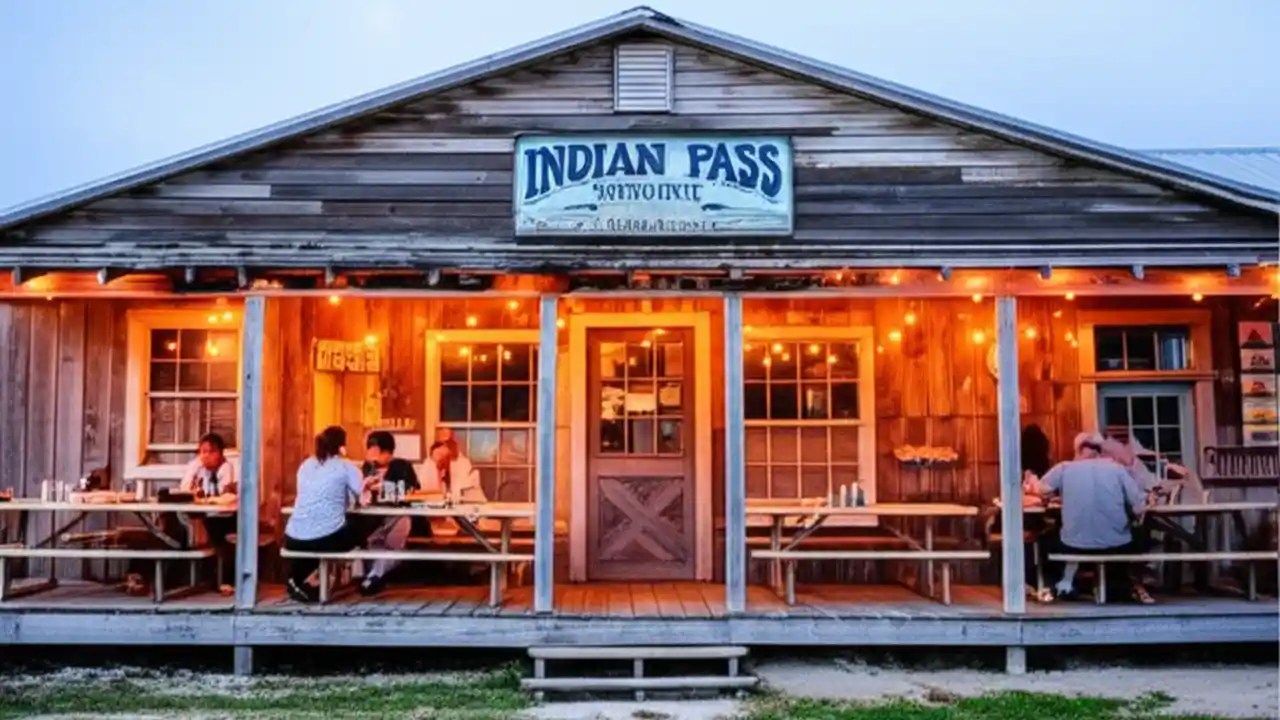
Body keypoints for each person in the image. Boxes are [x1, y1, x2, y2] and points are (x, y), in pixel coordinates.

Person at [1024, 431, 1154, 604]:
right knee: (1140, 536)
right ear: (1100, 451)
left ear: (1077, 450)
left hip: (1073, 546)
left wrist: (1030, 482)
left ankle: (1055, 585)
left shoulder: (1064, 468)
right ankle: (1122, 583)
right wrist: (1149, 500)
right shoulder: (1117, 469)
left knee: (1043, 540)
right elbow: (1138, 506)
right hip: (1116, 545)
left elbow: (1039, 490)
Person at [283, 426, 379, 603]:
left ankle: (299, 579)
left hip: (293, 537)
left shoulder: (305, 465)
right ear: (342, 447)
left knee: (319, 531)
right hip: (327, 540)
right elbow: (364, 497)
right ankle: (365, 574)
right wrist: (370, 484)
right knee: (360, 525)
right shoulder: (346, 466)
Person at [357, 431, 420, 596]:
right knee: (371, 544)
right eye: (369, 449)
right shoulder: (367, 467)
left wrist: (384, 487)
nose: (371, 454)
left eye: (375, 450)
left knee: (395, 548)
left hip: (398, 514)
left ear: (387, 451)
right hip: (373, 518)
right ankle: (373, 578)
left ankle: (373, 577)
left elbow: (412, 491)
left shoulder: (402, 466)